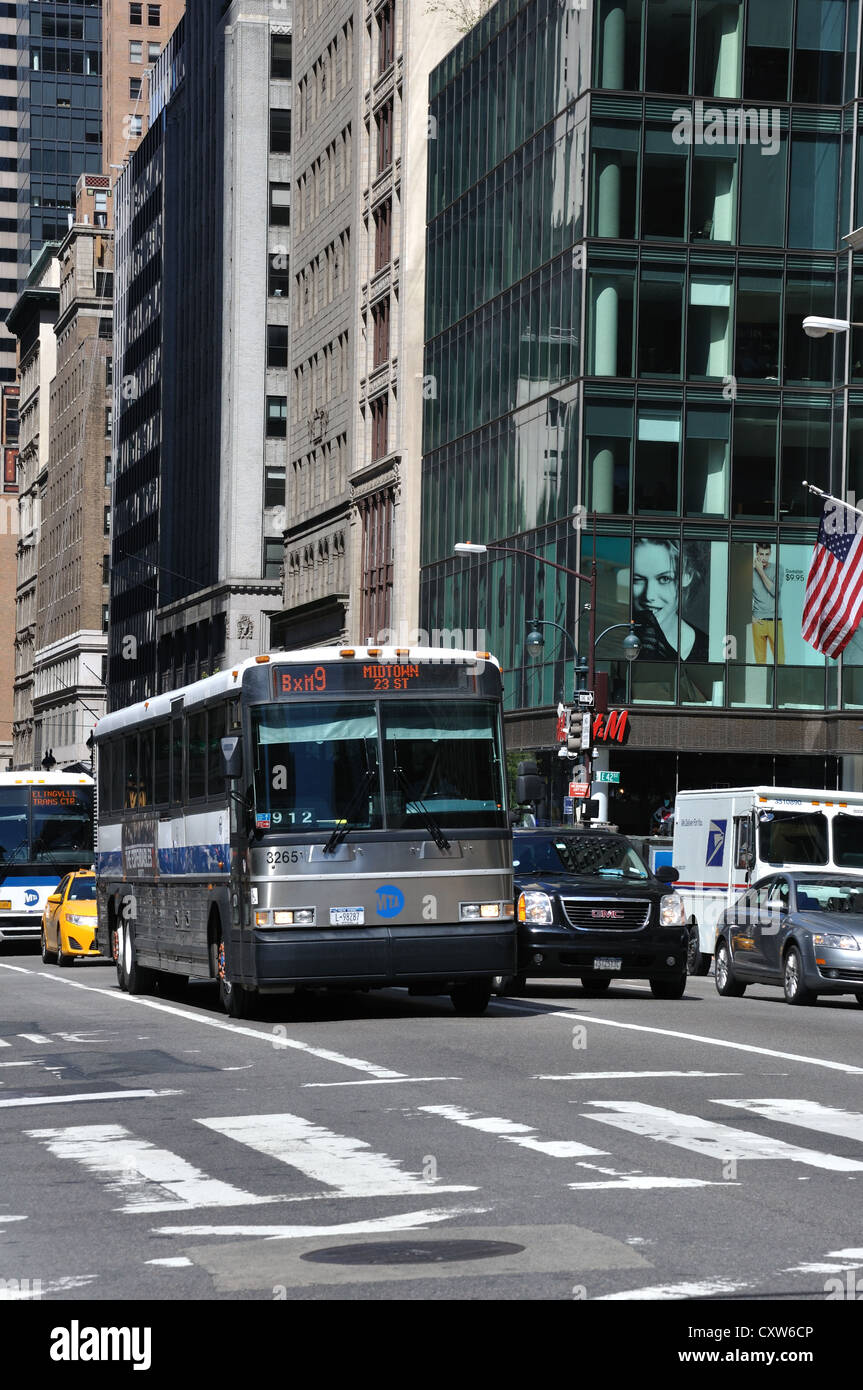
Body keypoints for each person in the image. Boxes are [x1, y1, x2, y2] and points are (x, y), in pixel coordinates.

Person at [632, 538, 708, 662]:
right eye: (637, 579)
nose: (649, 595)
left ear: (687, 576)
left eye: (665, 579)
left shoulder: (708, 649)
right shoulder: (616, 638)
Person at [751, 541, 784, 665]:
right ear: (756, 554)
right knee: (759, 662)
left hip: (775, 621)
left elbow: (775, 592)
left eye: (767, 554)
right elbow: (742, 596)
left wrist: (760, 571)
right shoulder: (749, 572)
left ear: (770, 553)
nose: (764, 558)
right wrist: (751, 617)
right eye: (761, 554)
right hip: (758, 621)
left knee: (780, 661)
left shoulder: (778, 568)